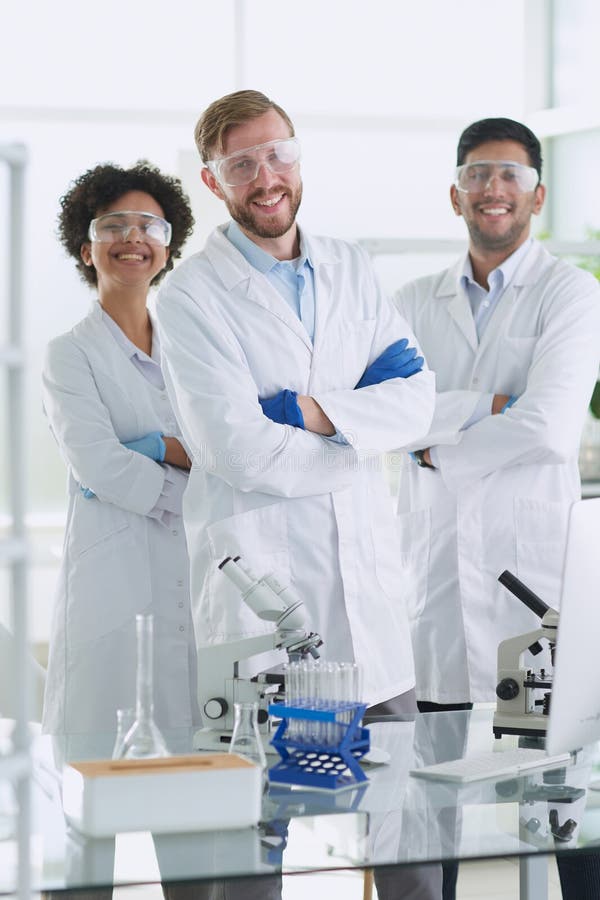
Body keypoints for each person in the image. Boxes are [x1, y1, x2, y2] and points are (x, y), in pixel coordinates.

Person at [155, 89, 440, 900]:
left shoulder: (349, 265)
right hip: (260, 616)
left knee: (407, 849)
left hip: (369, 613)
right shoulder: (189, 298)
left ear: (297, 154)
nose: (265, 176)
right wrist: (359, 432)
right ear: (214, 183)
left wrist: (312, 413)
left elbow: (418, 399)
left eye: (276, 153)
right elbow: (233, 447)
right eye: (241, 164)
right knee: (252, 856)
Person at [392, 117, 600, 900]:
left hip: (534, 592)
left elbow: (549, 426)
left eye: (510, 174)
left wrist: (437, 441)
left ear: (537, 195)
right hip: (437, 585)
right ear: (455, 194)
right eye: (478, 173)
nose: (493, 188)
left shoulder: (571, 292)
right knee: (430, 806)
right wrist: (492, 405)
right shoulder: (412, 300)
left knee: (561, 805)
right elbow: (381, 414)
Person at [42, 161, 201, 737]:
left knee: (192, 788)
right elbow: (101, 466)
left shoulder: (193, 354)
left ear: (167, 249)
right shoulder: (69, 355)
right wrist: (194, 472)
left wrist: (162, 448)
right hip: (111, 592)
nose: (132, 238)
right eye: (113, 225)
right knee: (96, 787)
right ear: (87, 249)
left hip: (194, 587)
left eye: (149, 227)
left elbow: (232, 451)